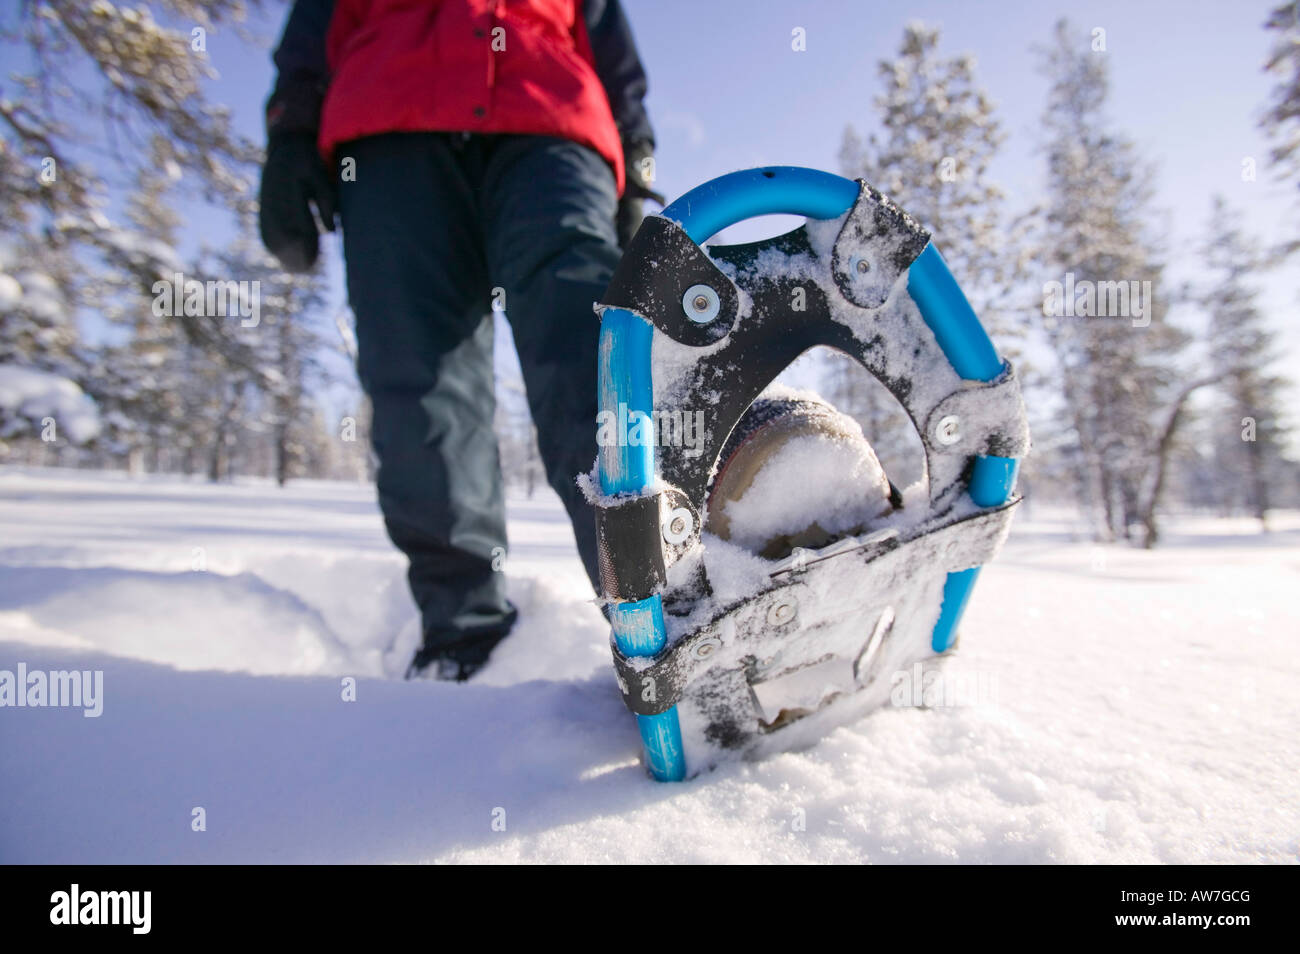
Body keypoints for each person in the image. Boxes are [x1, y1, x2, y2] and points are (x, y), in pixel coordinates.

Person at [258, 0, 660, 680]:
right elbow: (316, 25)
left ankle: (667, 604)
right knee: (419, 375)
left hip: (550, 115)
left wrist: (637, 152)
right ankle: (462, 632)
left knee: (591, 348)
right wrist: (290, 132)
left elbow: (607, 38)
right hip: (389, 119)